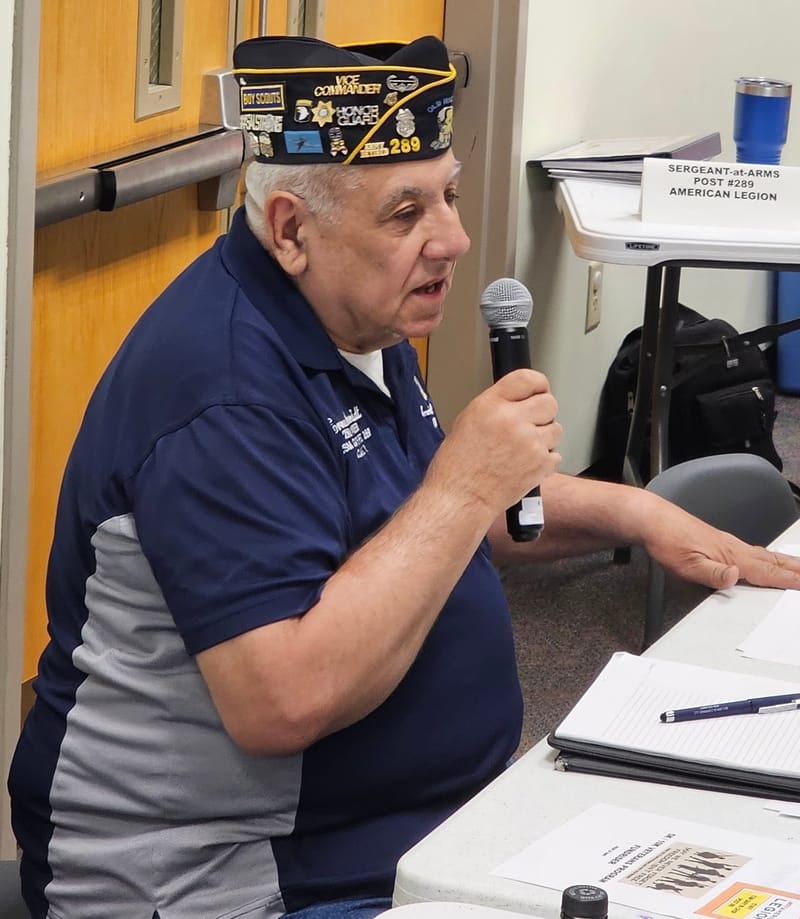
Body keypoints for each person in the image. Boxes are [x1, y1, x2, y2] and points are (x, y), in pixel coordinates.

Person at [7, 33, 800, 919]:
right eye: (404, 212)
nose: (454, 239)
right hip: (230, 878)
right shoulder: (223, 393)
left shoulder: (349, 317)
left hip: (403, 827)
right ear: (291, 230)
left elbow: (405, 527)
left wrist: (631, 512)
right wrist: (463, 482)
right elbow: (286, 696)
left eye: (451, 194)